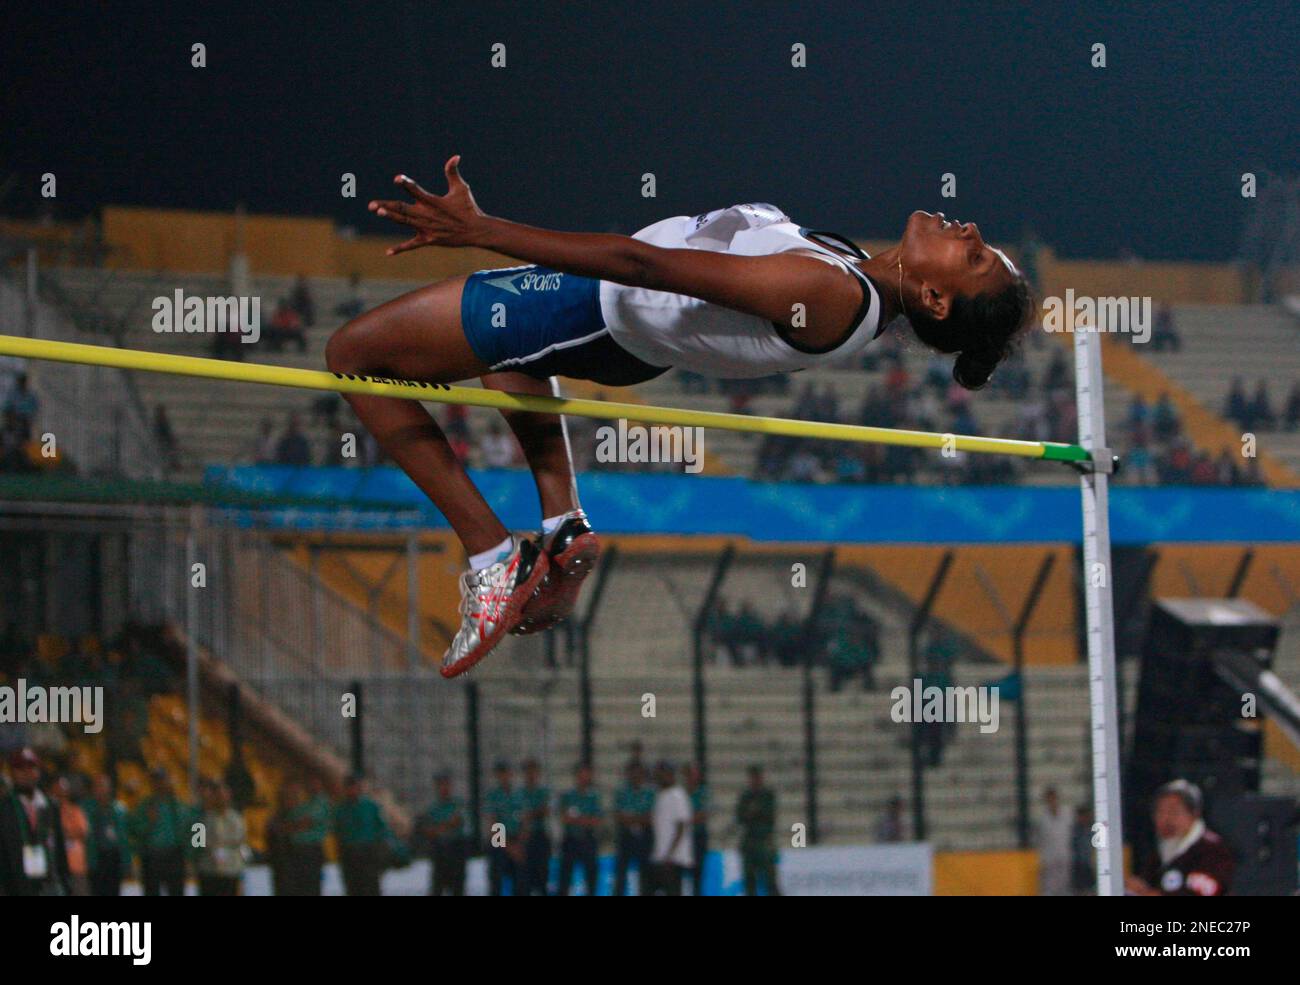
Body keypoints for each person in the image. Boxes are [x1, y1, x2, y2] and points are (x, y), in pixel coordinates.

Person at [328, 162, 1032, 678]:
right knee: (506, 359)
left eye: (972, 255)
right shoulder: (854, 271)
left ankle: (490, 558)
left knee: (353, 354)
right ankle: (561, 521)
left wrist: (481, 231)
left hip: (587, 308)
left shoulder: (829, 291)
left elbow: (645, 265)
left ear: (937, 299)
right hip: (621, 336)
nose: (967, 227)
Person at [1126, 779, 1234, 897]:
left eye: (1174, 812)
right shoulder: (1160, 851)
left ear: (1194, 814)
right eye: (1160, 812)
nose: (1166, 819)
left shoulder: (1212, 850)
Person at [0, 748, 70, 895]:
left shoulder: (50, 805)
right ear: (12, 773)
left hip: (50, 884)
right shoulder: (5, 808)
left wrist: (66, 885)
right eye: (20, 768)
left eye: (31, 767)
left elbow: (60, 849)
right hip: (17, 887)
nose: (27, 773)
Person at [129, 769, 192, 896]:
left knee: (176, 891)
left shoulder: (178, 805)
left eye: (162, 780)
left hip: (174, 855)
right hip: (152, 855)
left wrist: (191, 855)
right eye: (156, 781)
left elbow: (194, 828)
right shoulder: (145, 806)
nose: (160, 784)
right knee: (152, 891)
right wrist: (149, 822)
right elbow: (135, 831)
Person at [333, 773, 392, 896]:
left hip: (368, 853)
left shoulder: (370, 806)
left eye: (354, 787)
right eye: (349, 787)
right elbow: (338, 831)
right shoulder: (340, 809)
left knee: (370, 887)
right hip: (349, 853)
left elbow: (382, 829)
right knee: (353, 888)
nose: (351, 791)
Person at [645, 761, 692, 896]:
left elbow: (681, 827)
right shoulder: (660, 795)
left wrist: (670, 855)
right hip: (660, 856)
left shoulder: (677, 795)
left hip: (672, 858)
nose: (659, 777)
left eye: (662, 774)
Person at [557, 762, 602, 896]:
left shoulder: (593, 796)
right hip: (570, 840)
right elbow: (564, 818)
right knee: (565, 876)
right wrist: (585, 819)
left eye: (587, 774)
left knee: (591, 877)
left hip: (587, 839)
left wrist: (577, 819)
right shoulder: (567, 795)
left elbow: (597, 820)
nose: (584, 777)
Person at [195, 778, 246, 896]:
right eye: (217, 795)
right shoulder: (203, 819)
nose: (221, 798)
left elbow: (239, 839)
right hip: (209, 870)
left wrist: (218, 843)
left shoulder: (236, 819)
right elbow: (197, 842)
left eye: (223, 795)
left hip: (230, 870)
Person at [83, 773, 130, 896]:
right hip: (95, 857)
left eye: (103, 786)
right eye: (97, 786)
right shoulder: (86, 808)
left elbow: (124, 839)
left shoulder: (119, 809)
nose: (100, 790)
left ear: (110, 788)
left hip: (113, 858)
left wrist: (126, 862)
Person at [420, 772, 467, 896]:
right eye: (441, 785)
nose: (444, 788)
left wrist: (441, 827)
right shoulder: (433, 808)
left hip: (456, 850)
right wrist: (447, 825)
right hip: (440, 852)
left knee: (458, 888)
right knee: (437, 888)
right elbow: (428, 830)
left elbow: (462, 824)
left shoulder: (458, 804)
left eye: (447, 784)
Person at [736, 765, 779, 896]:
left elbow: (769, 815)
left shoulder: (767, 795)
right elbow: (740, 817)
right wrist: (752, 812)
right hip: (749, 842)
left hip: (763, 841)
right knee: (749, 879)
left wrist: (753, 812)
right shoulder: (745, 796)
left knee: (770, 880)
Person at [613, 761, 654, 896]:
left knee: (646, 873)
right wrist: (639, 817)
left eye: (639, 773)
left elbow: (651, 817)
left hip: (645, 837)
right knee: (620, 874)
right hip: (626, 836)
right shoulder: (622, 792)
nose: (636, 776)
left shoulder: (650, 792)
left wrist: (631, 817)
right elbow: (619, 816)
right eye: (633, 773)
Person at [483, 760, 523, 896]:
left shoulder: (518, 795)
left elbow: (524, 819)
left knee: (520, 883)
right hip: (499, 843)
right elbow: (494, 824)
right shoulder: (493, 796)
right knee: (496, 883)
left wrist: (520, 843)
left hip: (516, 841)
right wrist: (509, 847)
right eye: (501, 773)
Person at [518, 759, 552, 896]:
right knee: (520, 882)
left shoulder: (542, 792)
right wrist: (503, 845)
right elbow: (496, 822)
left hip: (535, 838)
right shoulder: (515, 795)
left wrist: (530, 815)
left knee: (541, 879)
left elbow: (546, 810)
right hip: (514, 842)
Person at [1035, 787, 1072, 896]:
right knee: (1048, 886)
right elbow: (1039, 839)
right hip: (1048, 857)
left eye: (1053, 798)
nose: (1052, 801)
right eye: (1049, 799)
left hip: (1065, 855)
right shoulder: (1042, 818)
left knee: (1065, 885)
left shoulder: (1067, 814)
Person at [683, 762, 710, 895]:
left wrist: (685, 820)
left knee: (697, 874)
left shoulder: (702, 793)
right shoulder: (681, 793)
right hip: (683, 839)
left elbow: (702, 815)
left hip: (697, 837)